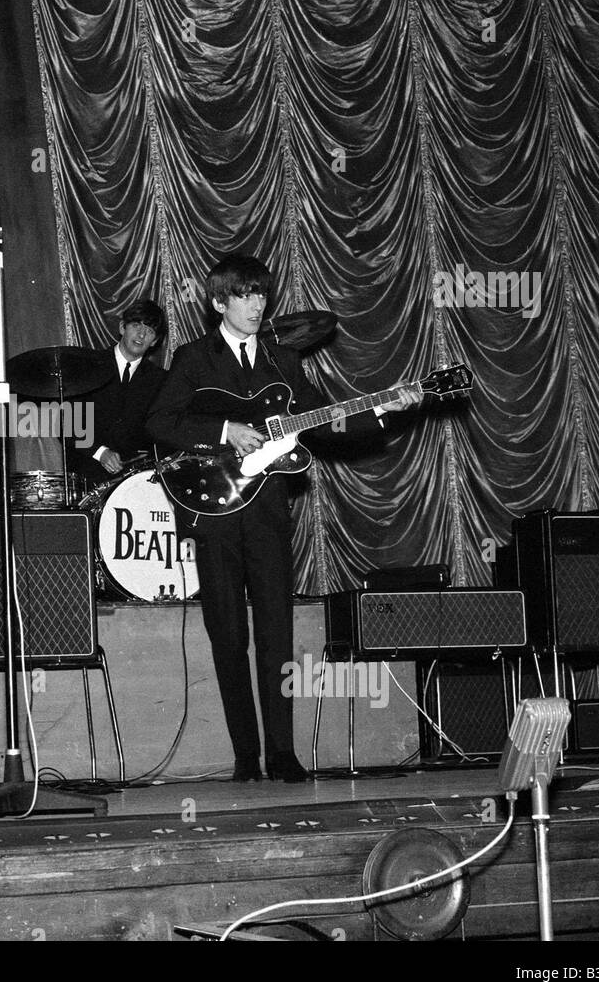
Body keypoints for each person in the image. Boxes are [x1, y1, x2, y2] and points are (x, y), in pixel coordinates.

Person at [147, 255, 418, 783]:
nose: (256, 305)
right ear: (218, 302)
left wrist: (388, 408)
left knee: (277, 632)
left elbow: (329, 422)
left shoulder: (282, 362)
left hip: (269, 510)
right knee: (228, 635)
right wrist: (225, 429)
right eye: (245, 296)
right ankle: (246, 757)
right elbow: (159, 422)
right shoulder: (192, 359)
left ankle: (282, 754)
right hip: (215, 510)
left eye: (262, 296)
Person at [78, 299, 168, 484]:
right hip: (85, 477)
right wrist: (100, 452)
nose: (141, 334)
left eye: (150, 331)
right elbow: (67, 423)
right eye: (136, 325)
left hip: (136, 483)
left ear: (155, 341)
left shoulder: (161, 380)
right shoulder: (88, 366)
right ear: (122, 327)